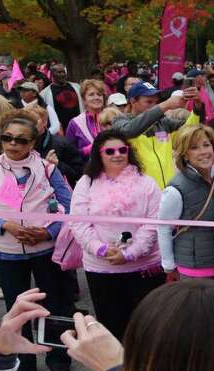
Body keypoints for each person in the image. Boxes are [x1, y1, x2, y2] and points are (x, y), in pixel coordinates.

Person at [0, 115, 75, 371]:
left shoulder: (48, 169)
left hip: (46, 250)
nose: (13, 144)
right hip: (6, 252)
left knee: (54, 303)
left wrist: (48, 232)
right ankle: (22, 361)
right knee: (17, 308)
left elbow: (71, 206)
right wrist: (6, 225)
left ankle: (58, 357)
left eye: (20, 140)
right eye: (7, 138)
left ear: (32, 143)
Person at [68, 130, 164, 340]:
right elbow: (78, 222)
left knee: (148, 330)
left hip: (144, 268)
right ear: (99, 154)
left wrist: (131, 253)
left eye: (122, 149)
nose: (117, 154)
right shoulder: (86, 183)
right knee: (112, 329)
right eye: (110, 151)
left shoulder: (147, 182)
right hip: (102, 269)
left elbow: (154, 223)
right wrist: (100, 249)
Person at [157, 124, 214, 281]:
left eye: (206, 145)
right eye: (194, 147)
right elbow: (164, 227)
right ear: (184, 154)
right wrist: (168, 264)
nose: (203, 151)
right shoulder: (175, 190)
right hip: (194, 269)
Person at [113, 81, 190, 188]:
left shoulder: (162, 122)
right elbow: (129, 131)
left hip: (168, 188)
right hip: (141, 191)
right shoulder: (120, 120)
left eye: (156, 102)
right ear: (133, 101)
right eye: (149, 102)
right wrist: (165, 105)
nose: (154, 106)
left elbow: (190, 128)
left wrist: (197, 106)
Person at [66, 78, 109, 157]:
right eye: (91, 94)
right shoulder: (75, 123)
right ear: (84, 100)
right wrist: (87, 150)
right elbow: (70, 154)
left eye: (99, 94)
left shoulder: (112, 117)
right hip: (86, 164)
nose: (96, 97)